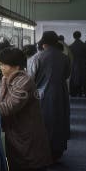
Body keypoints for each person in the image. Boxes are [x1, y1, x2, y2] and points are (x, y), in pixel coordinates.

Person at [31, 31, 71, 161]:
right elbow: (66, 75)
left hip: (41, 95)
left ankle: (43, 151)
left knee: (44, 123)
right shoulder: (64, 57)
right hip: (60, 93)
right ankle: (57, 151)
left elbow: (31, 78)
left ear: (43, 43)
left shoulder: (37, 58)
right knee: (59, 121)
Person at [69, 31, 86, 97]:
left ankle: (78, 93)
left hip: (75, 65)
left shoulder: (71, 46)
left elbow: (69, 58)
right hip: (84, 65)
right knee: (84, 80)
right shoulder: (84, 45)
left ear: (73, 37)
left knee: (76, 80)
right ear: (80, 36)